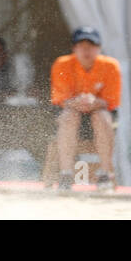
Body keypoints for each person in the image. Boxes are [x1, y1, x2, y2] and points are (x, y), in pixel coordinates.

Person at [50, 27, 121, 192]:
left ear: (99, 48)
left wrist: (93, 102)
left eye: (91, 45)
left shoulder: (111, 66)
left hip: (100, 118)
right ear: (74, 48)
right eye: (81, 45)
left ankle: (104, 174)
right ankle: (66, 174)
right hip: (71, 117)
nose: (86, 50)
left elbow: (111, 102)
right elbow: (60, 100)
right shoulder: (62, 64)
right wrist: (81, 102)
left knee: (101, 117)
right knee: (69, 116)